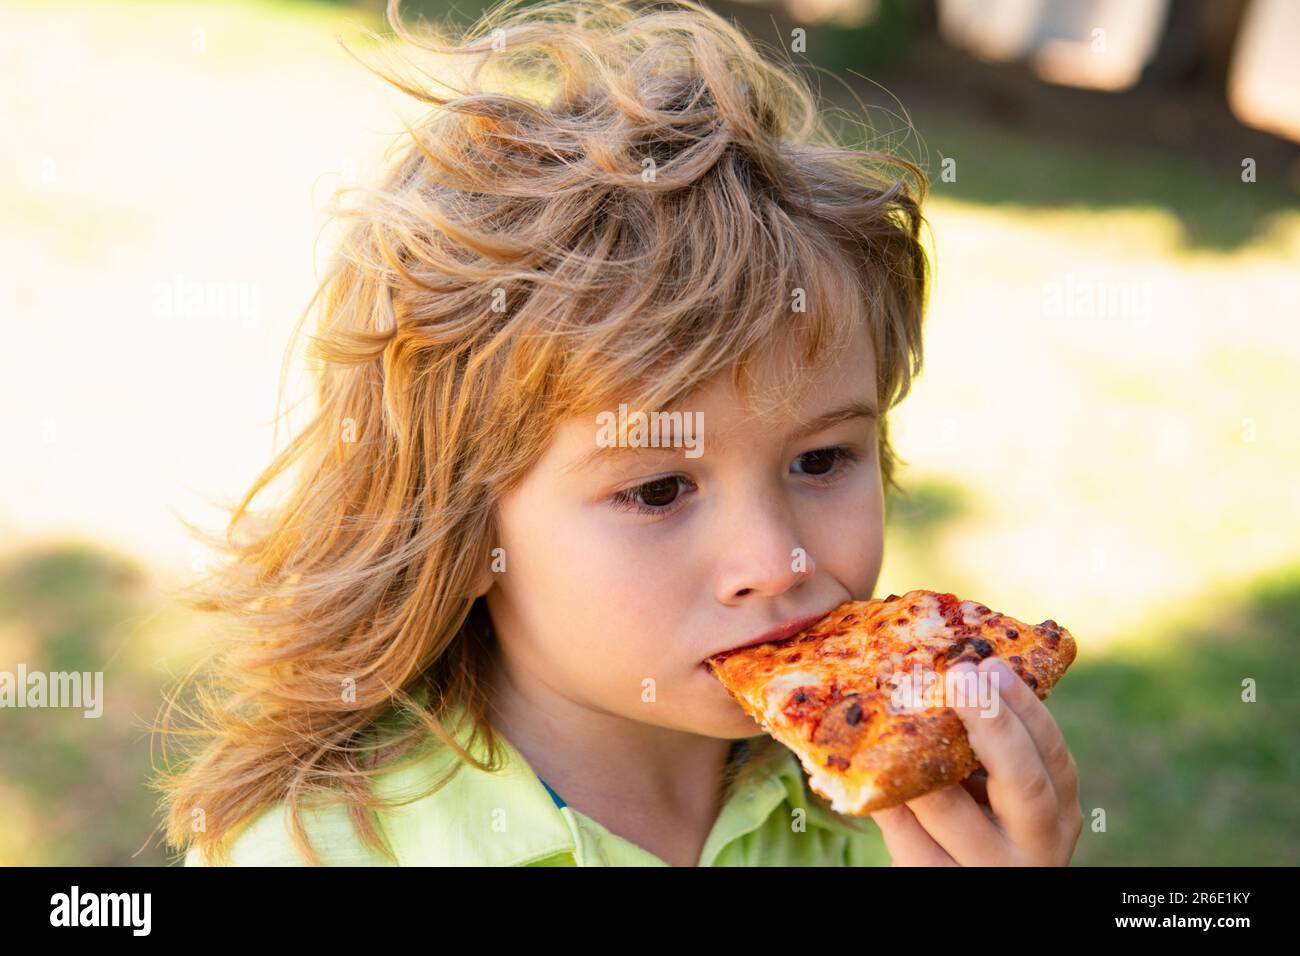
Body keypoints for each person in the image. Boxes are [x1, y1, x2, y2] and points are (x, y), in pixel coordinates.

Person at [160, 0, 1081, 867]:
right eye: (657, 489)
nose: (778, 560)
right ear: (462, 526)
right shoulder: (317, 850)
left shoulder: (910, 817)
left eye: (821, 459)